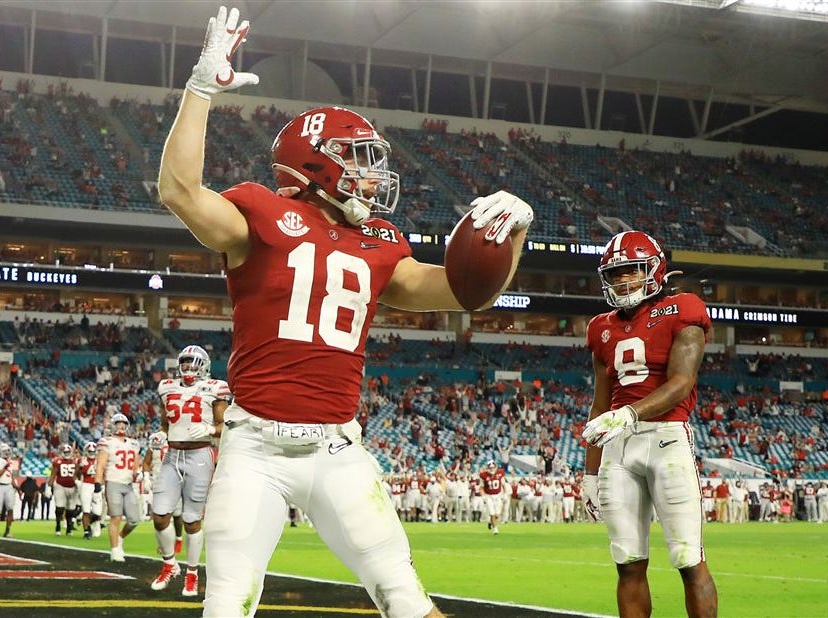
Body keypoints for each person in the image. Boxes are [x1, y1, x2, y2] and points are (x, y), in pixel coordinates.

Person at [157, 8, 533, 616]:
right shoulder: (261, 213)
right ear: (314, 162)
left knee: (406, 600)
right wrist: (200, 89)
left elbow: (469, 293)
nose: (371, 173)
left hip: (337, 450)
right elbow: (179, 191)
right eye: (356, 158)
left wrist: (512, 236)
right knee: (227, 604)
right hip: (255, 450)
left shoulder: (380, 242)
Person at [581, 230, 718, 618]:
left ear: (654, 269)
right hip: (618, 449)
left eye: (631, 270)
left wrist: (629, 414)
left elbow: (682, 382)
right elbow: (600, 404)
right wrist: (589, 473)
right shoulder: (600, 327)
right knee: (627, 560)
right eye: (615, 274)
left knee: (688, 558)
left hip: (666, 439)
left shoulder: (683, 308)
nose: (623, 280)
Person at [149, 345, 229, 596]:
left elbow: (225, 425)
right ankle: (169, 565)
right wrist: (161, 435)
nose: (187, 367)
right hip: (172, 455)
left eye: (193, 363)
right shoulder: (167, 387)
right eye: (184, 362)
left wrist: (210, 429)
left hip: (200, 455)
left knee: (192, 520)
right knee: (159, 514)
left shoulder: (216, 388)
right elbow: (165, 424)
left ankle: (192, 573)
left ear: (204, 366)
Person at [94, 413, 141, 563]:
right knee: (116, 518)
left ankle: (120, 537)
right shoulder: (107, 442)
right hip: (113, 482)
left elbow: (135, 464)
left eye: (123, 424)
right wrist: (97, 484)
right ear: (112, 426)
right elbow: (101, 465)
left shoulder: (133, 444)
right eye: (118, 423)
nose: (121, 426)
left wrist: (138, 474)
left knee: (134, 520)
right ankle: (114, 550)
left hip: (128, 484)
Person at [49, 443, 79, 536]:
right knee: (59, 507)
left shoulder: (76, 461)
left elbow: (79, 474)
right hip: (60, 485)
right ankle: (58, 525)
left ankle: (69, 527)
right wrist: (49, 486)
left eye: (68, 452)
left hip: (73, 487)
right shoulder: (57, 461)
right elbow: (53, 474)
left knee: (71, 509)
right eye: (65, 452)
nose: (66, 454)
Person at [77, 442, 103, 539]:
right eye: (90, 451)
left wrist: (103, 484)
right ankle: (86, 531)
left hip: (97, 485)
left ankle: (89, 522)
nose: (92, 453)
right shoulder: (82, 460)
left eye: (93, 451)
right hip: (86, 485)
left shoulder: (100, 460)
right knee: (86, 510)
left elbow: (104, 473)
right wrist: (79, 470)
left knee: (98, 513)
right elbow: (76, 473)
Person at [478, 461, 505, 535]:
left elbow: (503, 485)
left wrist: (504, 494)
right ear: (487, 468)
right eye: (490, 468)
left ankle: (490, 522)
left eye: (493, 467)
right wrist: (483, 496)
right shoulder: (484, 475)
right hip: (489, 496)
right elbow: (481, 487)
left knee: (497, 514)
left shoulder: (500, 473)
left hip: (498, 495)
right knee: (492, 513)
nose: (492, 469)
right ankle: (495, 529)